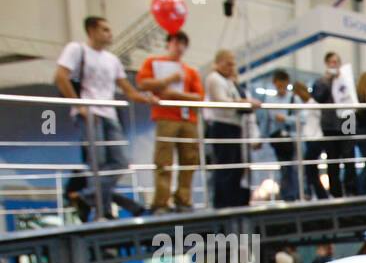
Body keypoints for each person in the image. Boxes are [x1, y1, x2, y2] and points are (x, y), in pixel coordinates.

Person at [54, 16, 158, 219]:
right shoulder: (77, 50)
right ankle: (101, 211)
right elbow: (60, 76)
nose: (109, 34)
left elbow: (128, 91)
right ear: (91, 30)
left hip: (110, 113)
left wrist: (148, 98)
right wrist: (78, 104)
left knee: (120, 161)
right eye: (104, 29)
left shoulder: (112, 60)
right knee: (98, 163)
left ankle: (87, 197)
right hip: (89, 112)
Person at [136, 30, 203, 212]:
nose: (179, 47)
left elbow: (199, 97)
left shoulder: (190, 71)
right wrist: (168, 80)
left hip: (188, 119)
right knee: (164, 161)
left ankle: (183, 200)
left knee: (189, 160)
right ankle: (161, 202)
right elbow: (143, 84)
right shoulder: (152, 63)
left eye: (183, 43)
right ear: (168, 43)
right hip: (165, 117)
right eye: (176, 42)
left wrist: (176, 94)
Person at [204, 49, 261, 209]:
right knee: (226, 168)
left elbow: (236, 98)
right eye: (228, 64)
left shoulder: (227, 80)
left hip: (234, 126)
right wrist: (246, 103)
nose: (231, 67)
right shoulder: (214, 79)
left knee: (235, 168)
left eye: (233, 64)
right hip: (223, 127)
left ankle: (233, 202)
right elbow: (224, 102)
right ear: (219, 62)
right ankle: (223, 205)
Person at [311, 52, 359, 197]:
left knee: (349, 155)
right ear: (327, 64)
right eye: (331, 62)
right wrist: (327, 80)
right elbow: (318, 98)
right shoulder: (321, 82)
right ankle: (336, 192)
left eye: (336, 62)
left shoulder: (346, 80)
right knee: (333, 159)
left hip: (347, 119)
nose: (334, 65)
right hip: (330, 124)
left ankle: (351, 189)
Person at [256, 70, 300, 202]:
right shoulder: (269, 100)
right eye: (279, 86)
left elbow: (301, 119)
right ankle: (288, 195)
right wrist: (260, 140)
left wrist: (285, 119)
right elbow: (265, 122)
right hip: (278, 140)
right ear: (275, 84)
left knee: (293, 168)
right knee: (284, 168)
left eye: (283, 86)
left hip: (292, 138)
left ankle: (295, 194)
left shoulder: (294, 99)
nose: (281, 89)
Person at [294, 81, 330, 201]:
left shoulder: (312, 104)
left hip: (316, 138)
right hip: (309, 139)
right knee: (311, 171)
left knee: (310, 171)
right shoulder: (303, 105)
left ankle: (320, 195)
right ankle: (317, 195)